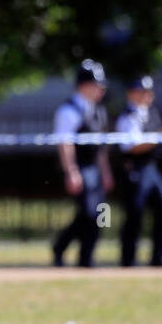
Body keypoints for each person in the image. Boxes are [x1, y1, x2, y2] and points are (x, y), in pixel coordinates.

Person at [51, 59, 114, 267]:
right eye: (97, 85)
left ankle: (83, 256)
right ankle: (69, 250)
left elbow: (101, 147)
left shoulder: (99, 111)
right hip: (79, 167)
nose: (101, 90)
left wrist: (105, 172)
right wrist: (71, 171)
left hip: (94, 168)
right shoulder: (68, 111)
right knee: (89, 212)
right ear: (84, 85)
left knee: (97, 212)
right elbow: (65, 144)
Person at [116, 75, 162, 266]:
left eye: (149, 93)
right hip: (135, 170)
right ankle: (128, 259)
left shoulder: (151, 114)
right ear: (132, 94)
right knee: (134, 214)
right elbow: (131, 147)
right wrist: (160, 136)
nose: (146, 97)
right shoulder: (127, 117)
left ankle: (159, 256)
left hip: (151, 169)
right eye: (142, 92)